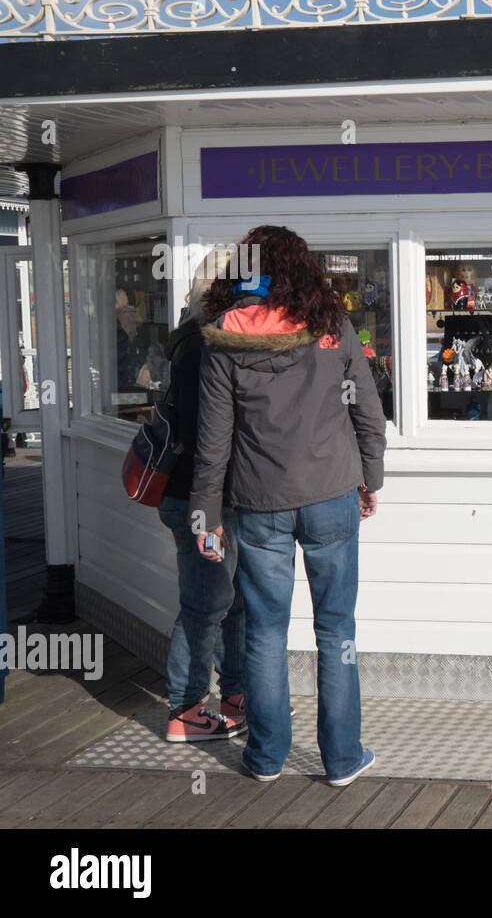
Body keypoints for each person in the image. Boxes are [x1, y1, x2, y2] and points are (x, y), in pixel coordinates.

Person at [190, 225, 386, 788]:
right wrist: (369, 477)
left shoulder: (222, 339)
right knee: (336, 629)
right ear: (302, 269)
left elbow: (213, 441)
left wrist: (205, 513)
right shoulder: (333, 327)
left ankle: (266, 757)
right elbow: (367, 414)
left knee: (264, 632)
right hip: (331, 498)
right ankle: (343, 759)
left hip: (258, 506)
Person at [161, 269, 247, 743]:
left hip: (207, 498)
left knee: (232, 604)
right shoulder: (200, 348)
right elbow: (203, 440)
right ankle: (186, 708)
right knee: (205, 605)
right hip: (200, 500)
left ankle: (233, 696)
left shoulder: (194, 342)